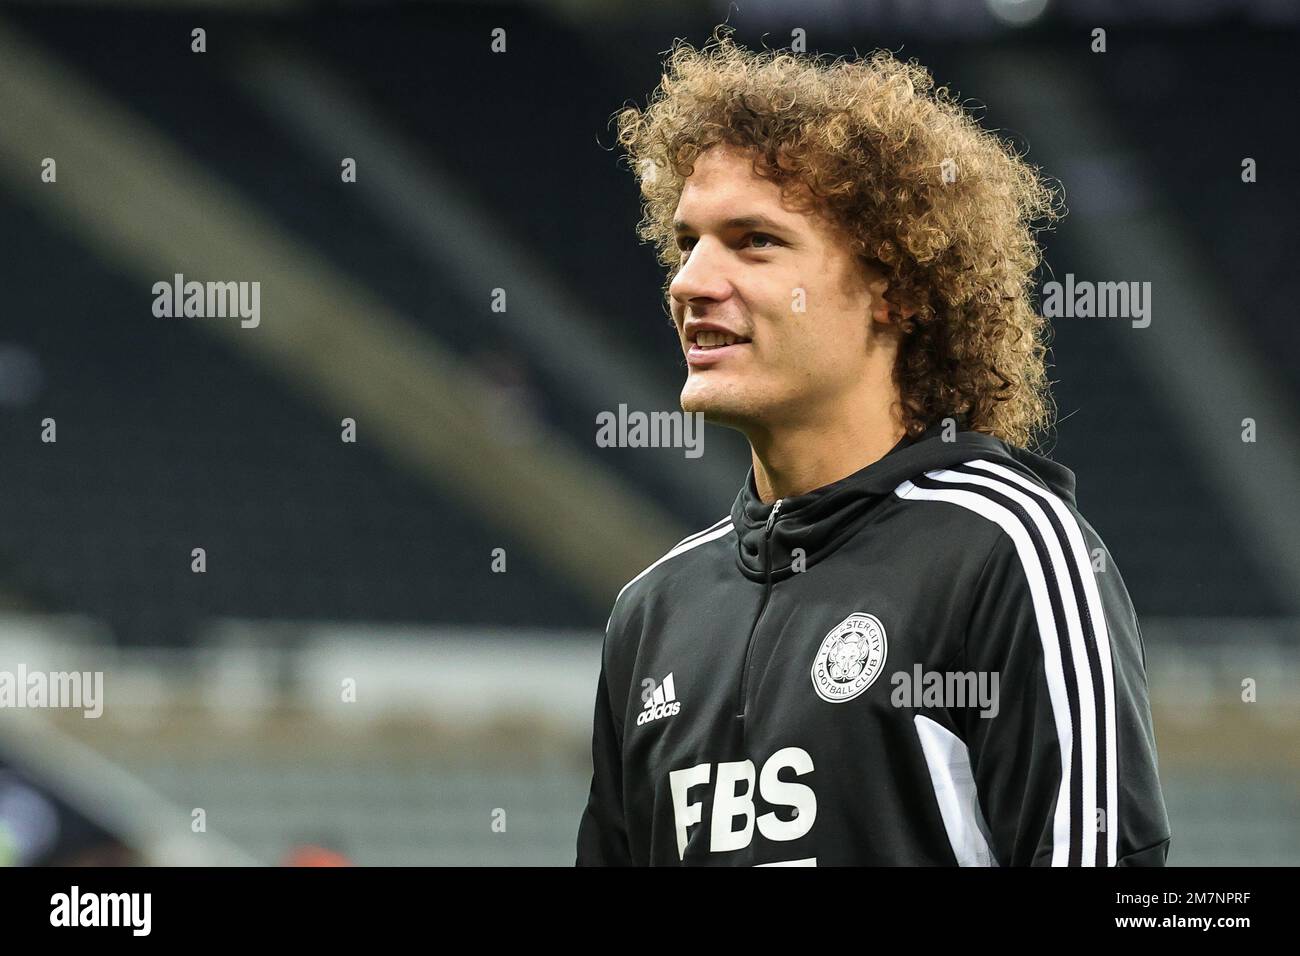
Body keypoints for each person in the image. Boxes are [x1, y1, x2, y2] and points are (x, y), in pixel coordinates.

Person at [576, 30, 1170, 866]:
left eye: (755, 241)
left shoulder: (1008, 552)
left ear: (893, 288)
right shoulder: (652, 613)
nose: (691, 282)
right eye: (686, 243)